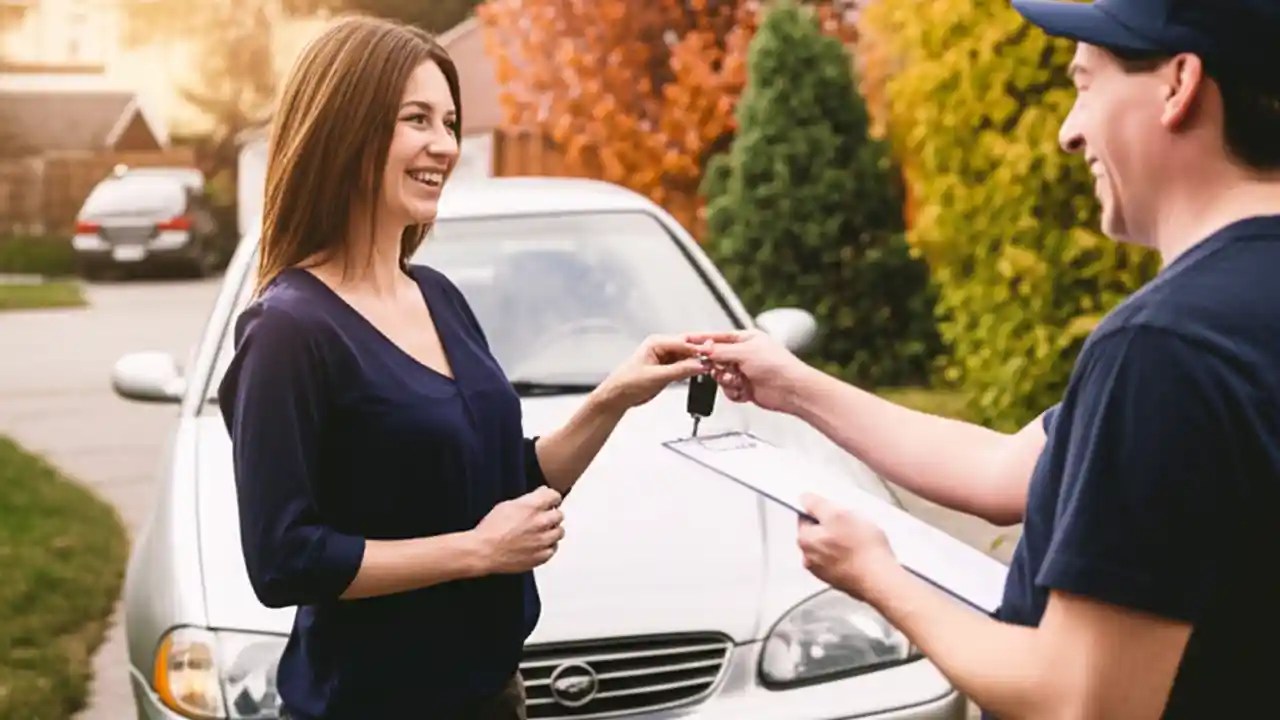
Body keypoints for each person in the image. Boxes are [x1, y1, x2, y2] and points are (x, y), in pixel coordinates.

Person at [690, 0, 1280, 717]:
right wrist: (795, 386)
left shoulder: (1167, 347)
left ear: (1178, 84)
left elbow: (1080, 699)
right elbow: (1005, 471)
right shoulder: (1226, 324)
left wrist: (877, 577)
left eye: (1085, 84)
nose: (1069, 131)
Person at [216, 16, 708, 720]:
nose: (444, 145)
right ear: (344, 126)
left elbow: (510, 481)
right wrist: (477, 553)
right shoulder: (290, 328)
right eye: (417, 119)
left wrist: (613, 396)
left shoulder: (437, 296)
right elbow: (284, 559)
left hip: (493, 696)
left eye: (449, 122)